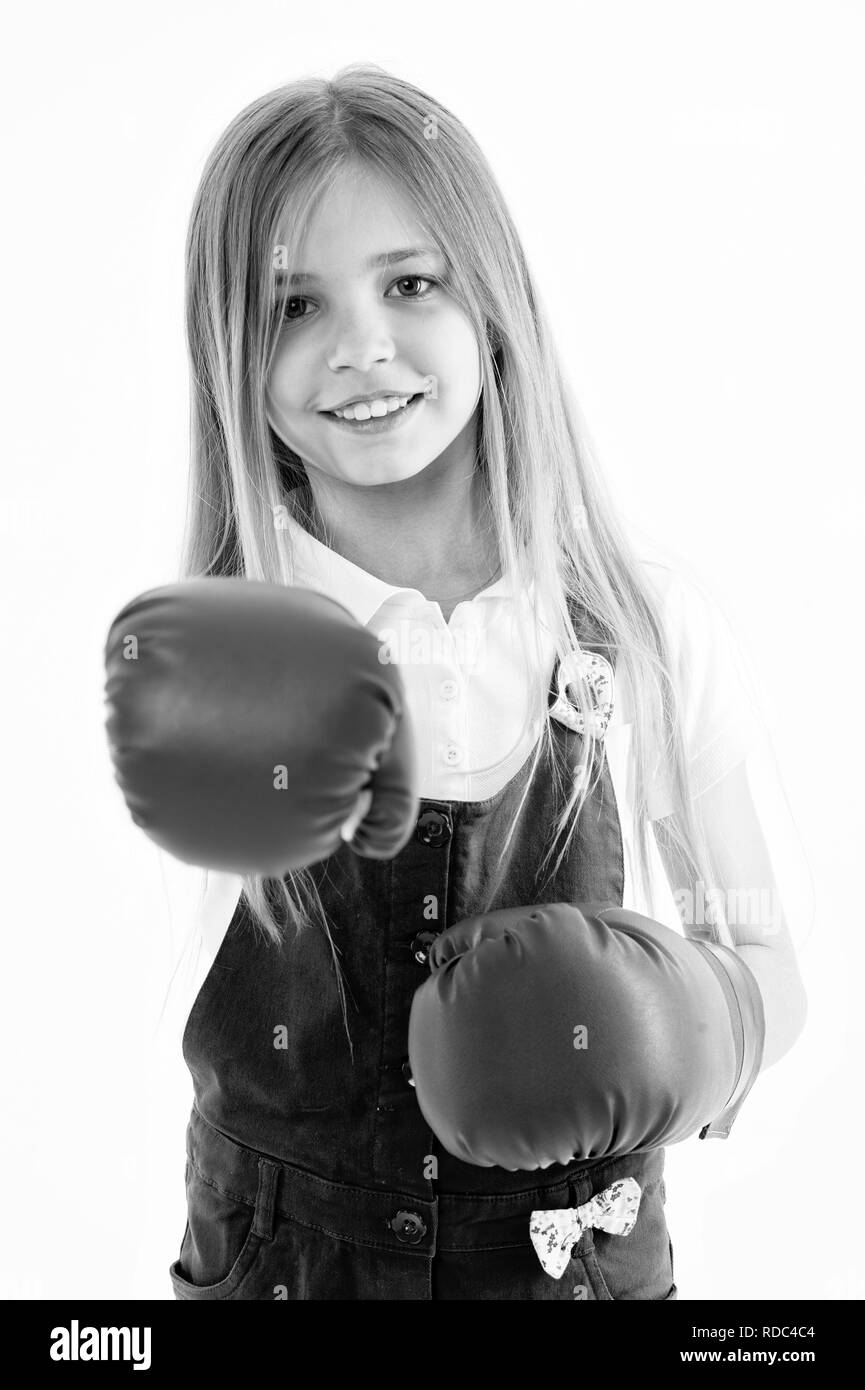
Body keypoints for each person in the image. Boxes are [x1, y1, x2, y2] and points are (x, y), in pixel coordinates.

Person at [104, 65, 809, 1300]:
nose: (362, 347)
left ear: (490, 301)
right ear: (233, 356)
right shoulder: (218, 656)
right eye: (292, 308)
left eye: (410, 283)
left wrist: (679, 1026)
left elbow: (765, 956)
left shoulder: (642, 631)